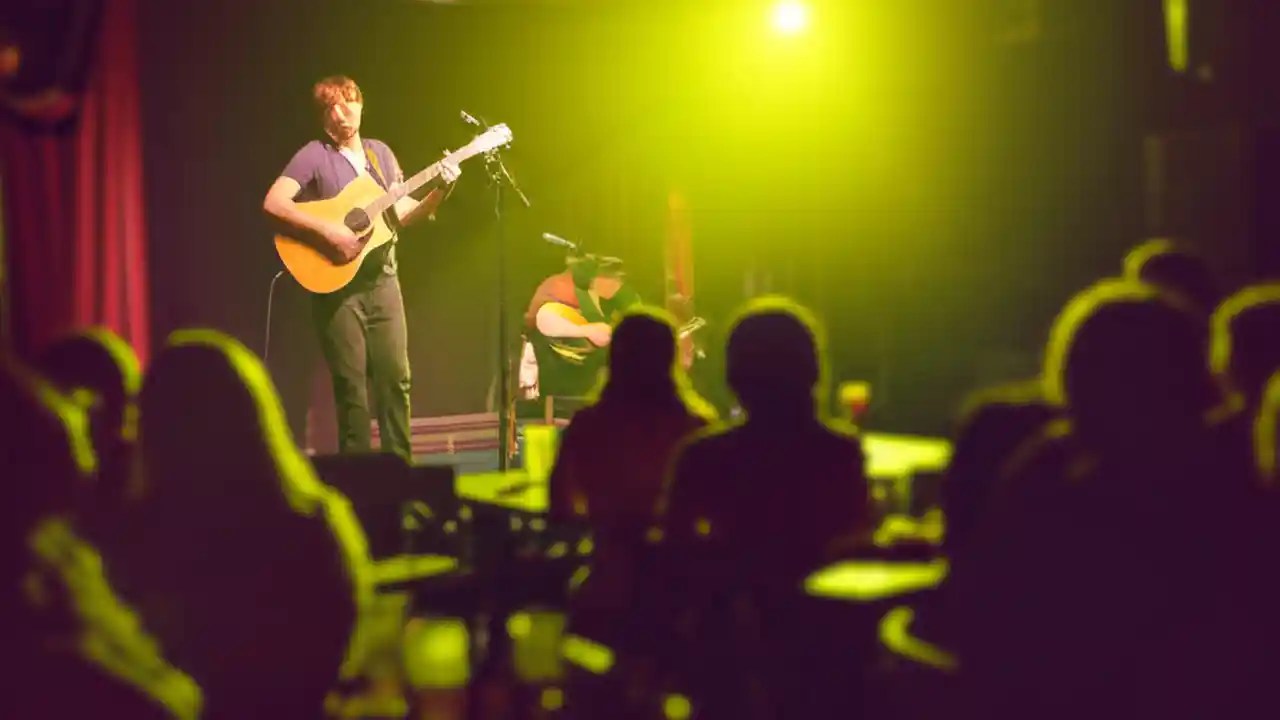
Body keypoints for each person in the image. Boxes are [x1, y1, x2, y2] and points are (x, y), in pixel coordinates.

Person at [262, 75, 460, 459]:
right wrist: (329, 233)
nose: (341, 113)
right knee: (351, 391)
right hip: (338, 291)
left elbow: (404, 214)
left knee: (395, 382)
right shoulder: (313, 155)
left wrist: (440, 191)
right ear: (323, 117)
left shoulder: (379, 155)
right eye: (331, 107)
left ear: (361, 104)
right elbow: (274, 203)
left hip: (383, 282)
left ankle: (400, 475)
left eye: (348, 102)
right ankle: (358, 486)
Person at [522, 255, 637, 398]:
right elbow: (544, 317)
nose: (619, 285)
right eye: (616, 280)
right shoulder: (561, 287)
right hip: (560, 378)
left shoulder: (596, 298)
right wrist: (588, 331)